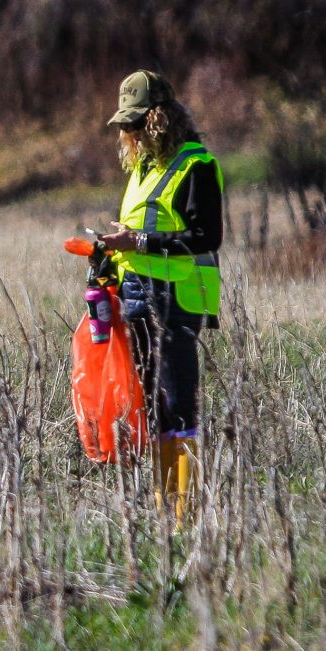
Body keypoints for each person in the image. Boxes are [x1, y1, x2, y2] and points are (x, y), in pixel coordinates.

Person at [93, 70, 224, 521]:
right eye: (124, 126)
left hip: (176, 299)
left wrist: (141, 245)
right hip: (135, 296)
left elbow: (207, 236)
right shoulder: (143, 170)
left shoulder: (196, 165)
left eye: (134, 124)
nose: (127, 134)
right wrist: (108, 256)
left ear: (159, 119)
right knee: (154, 403)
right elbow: (139, 231)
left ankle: (187, 510)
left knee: (179, 401)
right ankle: (164, 503)